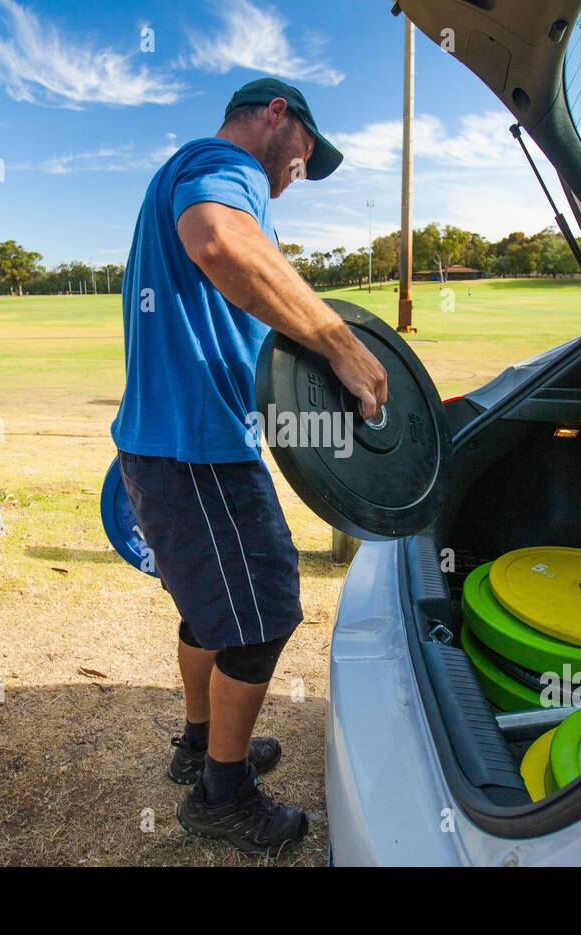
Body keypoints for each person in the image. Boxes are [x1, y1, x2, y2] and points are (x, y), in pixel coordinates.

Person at [111, 77, 387, 855]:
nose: (303, 167)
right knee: (263, 614)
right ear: (276, 117)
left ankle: (199, 744)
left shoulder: (183, 175)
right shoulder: (222, 167)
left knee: (207, 609)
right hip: (198, 447)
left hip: (160, 442)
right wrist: (340, 341)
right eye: (306, 151)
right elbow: (218, 242)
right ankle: (220, 797)